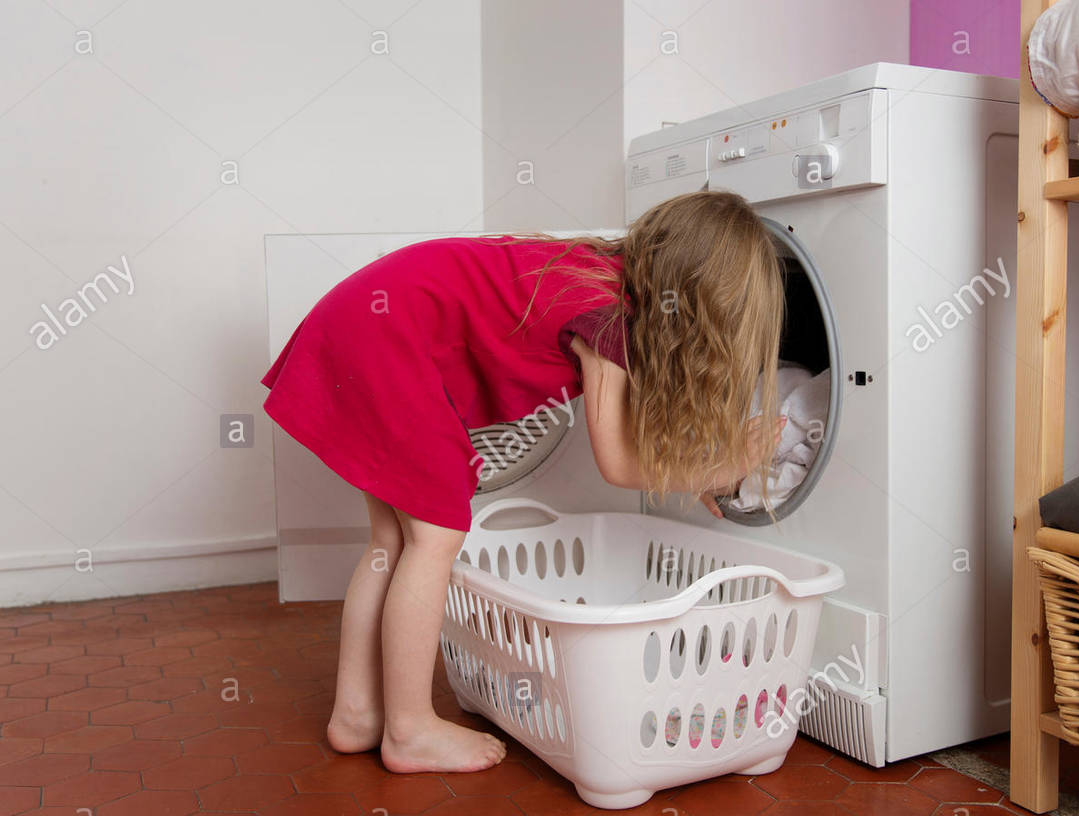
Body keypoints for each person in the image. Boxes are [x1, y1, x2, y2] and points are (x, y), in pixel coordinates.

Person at [260, 189, 786, 774]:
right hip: (386, 337)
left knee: (392, 544)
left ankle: (358, 715)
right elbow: (618, 464)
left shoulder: (598, 275)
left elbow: (642, 435)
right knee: (435, 539)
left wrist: (699, 473)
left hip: (364, 320)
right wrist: (725, 466)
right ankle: (408, 731)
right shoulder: (609, 318)